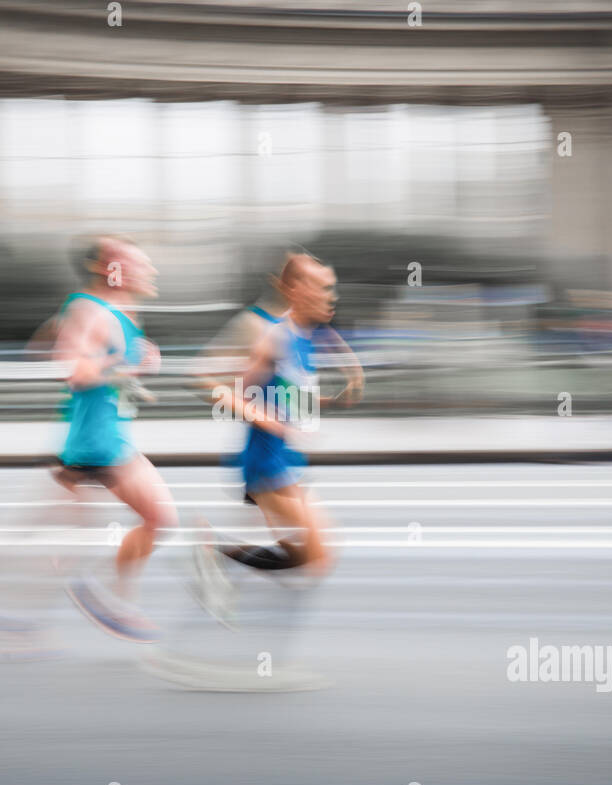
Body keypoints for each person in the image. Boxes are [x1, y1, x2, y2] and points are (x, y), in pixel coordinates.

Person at [190, 251, 363, 628]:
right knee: (315, 558)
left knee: (315, 556)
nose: (331, 296)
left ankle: (220, 557)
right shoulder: (275, 338)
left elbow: (286, 391)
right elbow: (223, 392)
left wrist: (327, 398)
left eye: (331, 288)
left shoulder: (303, 336)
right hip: (266, 464)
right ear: (296, 290)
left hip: (287, 460)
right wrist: (265, 419)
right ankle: (216, 553)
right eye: (322, 288)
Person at [27, 235, 177, 643]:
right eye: (137, 263)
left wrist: (138, 370)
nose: (148, 270)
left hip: (102, 437)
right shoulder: (91, 310)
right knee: (160, 519)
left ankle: (51, 607)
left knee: (74, 537)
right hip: (100, 444)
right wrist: (125, 368)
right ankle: (106, 598)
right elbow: (74, 371)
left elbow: (111, 376)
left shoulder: (120, 313)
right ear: (110, 269)